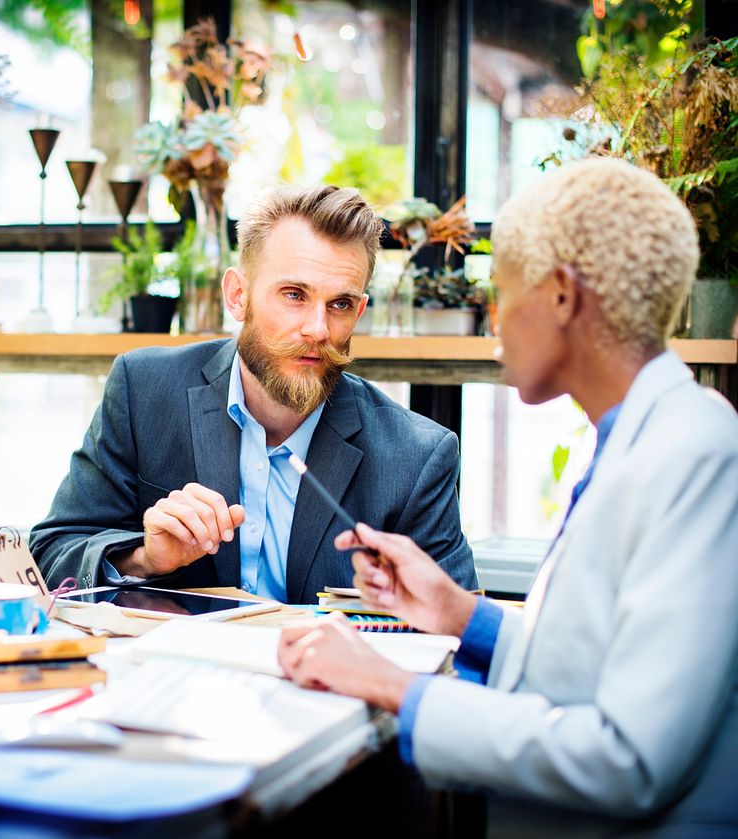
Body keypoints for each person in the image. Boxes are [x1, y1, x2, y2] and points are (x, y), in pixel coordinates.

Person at [278, 159, 738, 834]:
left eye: (502, 291)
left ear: (560, 296)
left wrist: (390, 683)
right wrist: (461, 612)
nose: (491, 319)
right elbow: (594, 664)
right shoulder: (639, 439)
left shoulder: (698, 451)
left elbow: (629, 759)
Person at [29, 185, 477, 602]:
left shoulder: (417, 456)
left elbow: (458, 629)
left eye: (339, 304)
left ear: (359, 311)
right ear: (238, 296)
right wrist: (143, 560)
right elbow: (49, 555)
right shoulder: (142, 391)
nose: (318, 329)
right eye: (294, 295)